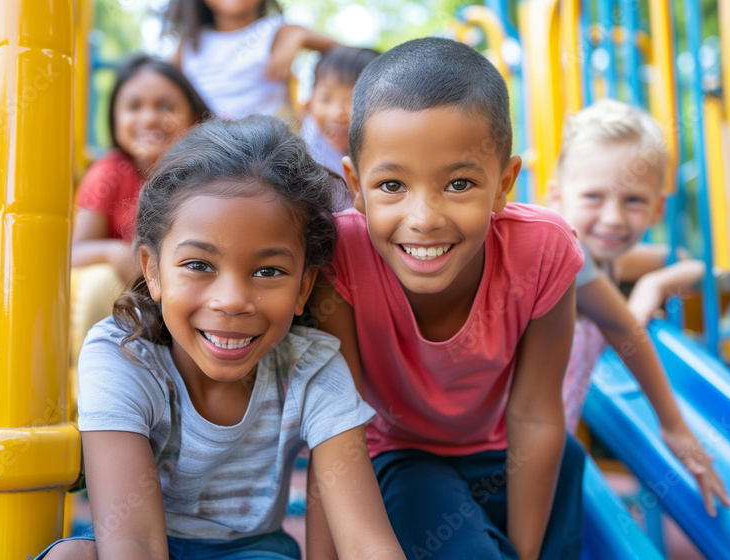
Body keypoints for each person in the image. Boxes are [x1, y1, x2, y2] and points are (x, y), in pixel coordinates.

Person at [38, 116, 405, 560]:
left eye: (268, 272)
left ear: (303, 289)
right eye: (199, 265)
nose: (232, 301)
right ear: (152, 270)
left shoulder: (312, 369)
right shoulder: (121, 355)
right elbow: (133, 543)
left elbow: (367, 543)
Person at [308, 38, 586, 559]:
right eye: (391, 185)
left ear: (504, 183)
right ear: (356, 186)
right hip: (400, 455)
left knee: (566, 460)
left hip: (511, 451)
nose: (425, 218)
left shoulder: (543, 250)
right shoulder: (341, 256)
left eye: (458, 183)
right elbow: (334, 424)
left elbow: (536, 412)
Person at [0, 54, 210, 380]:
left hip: (186, 304)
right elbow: (71, 251)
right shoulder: (112, 171)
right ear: (114, 117)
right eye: (134, 106)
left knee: (98, 287)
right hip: (131, 307)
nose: (149, 117)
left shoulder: (207, 175)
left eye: (166, 106)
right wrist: (113, 252)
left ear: (194, 116)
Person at [548, 98, 730, 515]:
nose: (613, 218)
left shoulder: (607, 260)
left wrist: (655, 282)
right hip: (501, 451)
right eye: (593, 196)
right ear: (556, 196)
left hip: (548, 454)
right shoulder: (556, 251)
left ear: (657, 208)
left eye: (633, 201)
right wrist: (673, 424)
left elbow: (692, 263)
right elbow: (624, 329)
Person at [164, 0, 337, 120]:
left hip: (272, 153)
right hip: (212, 156)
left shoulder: (278, 31)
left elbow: (352, 56)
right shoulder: (189, 45)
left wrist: (298, 34)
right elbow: (157, 83)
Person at [299, 45, 380, 209]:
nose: (337, 114)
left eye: (354, 101)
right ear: (308, 104)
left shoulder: (390, 152)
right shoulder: (301, 156)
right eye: (325, 98)